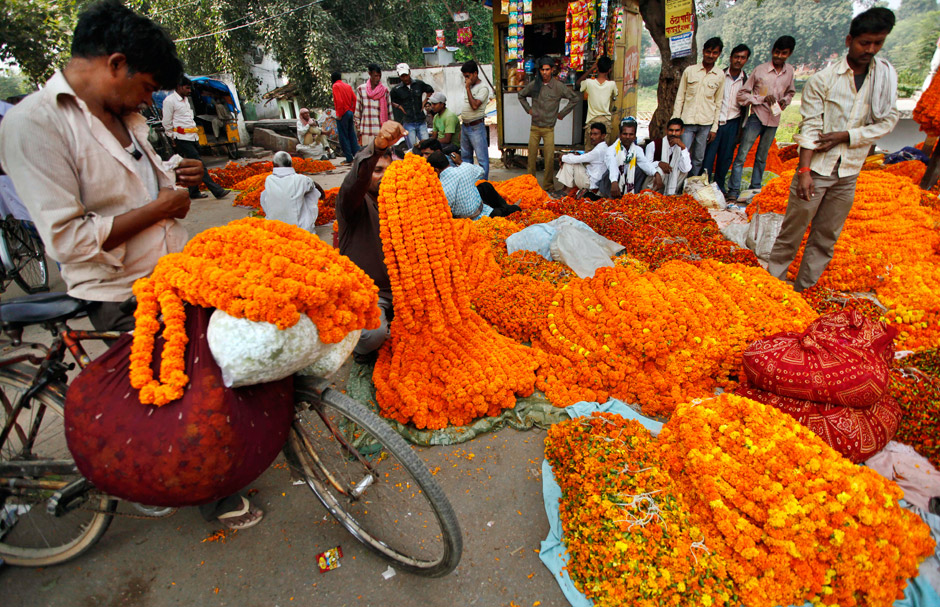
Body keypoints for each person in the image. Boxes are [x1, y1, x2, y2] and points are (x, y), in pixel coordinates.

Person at [0, 0, 263, 530]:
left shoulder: (127, 114)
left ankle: (212, 465)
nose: (150, 98)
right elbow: (69, 240)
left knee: (215, 367)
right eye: (146, 86)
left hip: (176, 269)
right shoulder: (35, 125)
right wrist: (159, 208)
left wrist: (176, 177)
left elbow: (140, 184)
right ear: (115, 64)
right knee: (178, 395)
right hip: (119, 286)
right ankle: (195, 487)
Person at [767, 8, 898, 293]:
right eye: (865, 42)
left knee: (826, 236)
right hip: (817, 169)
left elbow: (888, 120)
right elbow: (810, 127)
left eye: (878, 43)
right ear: (850, 39)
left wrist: (847, 136)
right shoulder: (823, 80)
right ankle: (772, 287)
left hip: (849, 170)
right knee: (793, 231)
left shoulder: (884, 78)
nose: (871, 49)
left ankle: (806, 289)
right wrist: (803, 171)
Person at [337, 120, 407, 364]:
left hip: (402, 289)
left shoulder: (401, 202)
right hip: (367, 292)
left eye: (390, 170)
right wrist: (376, 148)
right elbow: (353, 184)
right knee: (373, 336)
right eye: (378, 170)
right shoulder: (352, 203)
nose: (385, 176)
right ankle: (362, 344)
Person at [726, 36, 797, 203]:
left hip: (774, 119)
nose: (779, 56)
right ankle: (733, 191)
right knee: (742, 155)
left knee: (762, 157)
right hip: (757, 117)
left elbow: (791, 93)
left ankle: (754, 190)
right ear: (772, 51)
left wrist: (784, 101)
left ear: (789, 54)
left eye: (783, 54)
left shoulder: (790, 72)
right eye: (777, 52)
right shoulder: (760, 70)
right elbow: (742, 95)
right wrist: (761, 99)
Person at [518, 57, 581, 191]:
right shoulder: (535, 84)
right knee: (531, 159)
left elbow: (574, 98)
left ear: (552, 70)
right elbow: (521, 95)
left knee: (549, 158)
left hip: (549, 129)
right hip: (534, 128)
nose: (545, 72)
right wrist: (528, 109)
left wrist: (562, 114)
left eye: (547, 69)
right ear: (539, 71)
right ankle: (530, 185)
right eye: (542, 69)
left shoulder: (558, 86)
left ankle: (548, 186)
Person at [162, 76, 229, 200]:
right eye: (187, 88)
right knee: (198, 164)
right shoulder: (169, 101)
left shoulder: (186, 100)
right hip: (181, 137)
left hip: (192, 136)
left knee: (191, 165)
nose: (189, 90)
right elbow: (166, 122)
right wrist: (173, 137)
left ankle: (193, 192)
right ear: (178, 87)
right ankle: (216, 190)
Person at [672, 37, 726, 176]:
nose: (710, 55)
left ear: (719, 54)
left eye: (714, 53)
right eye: (708, 52)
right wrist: (676, 121)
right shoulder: (690, 71)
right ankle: (676, 186)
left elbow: (718, 102)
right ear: (703, 51)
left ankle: (692, 184)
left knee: (698, 158)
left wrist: (714, 127)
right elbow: (680, 97)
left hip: (706, 123)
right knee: (682, 154)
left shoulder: (719, 75)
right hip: (687, 122)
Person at [702, 44, 751, 194]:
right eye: (736, 57)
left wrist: (741, 129)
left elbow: (746, 106)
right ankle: (704, 187)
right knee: (708, 158)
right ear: (730, 58)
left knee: (725, 158)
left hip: (733, 123)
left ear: (746, 60)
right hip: (716, 122)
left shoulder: (746, 80)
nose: (739, 60)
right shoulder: (720, 75)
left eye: (743, 58)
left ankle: (719, 189)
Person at [427, 150, 520, 219]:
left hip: (467, 221)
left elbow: (445, 211)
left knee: (484, 187)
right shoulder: (465, 168)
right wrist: (460, 162)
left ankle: (506, 210)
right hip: (484, 211)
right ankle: (508, 209)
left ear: (436, 170)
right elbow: (481, 171)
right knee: (485, 187)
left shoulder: (441, 187)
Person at [260, 151, 324, 232]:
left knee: (264, 194)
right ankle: (306, 221)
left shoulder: (268, 179)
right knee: (312, 191)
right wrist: (322, 193)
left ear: (274, 165)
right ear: (290, 164)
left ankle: (273, 217)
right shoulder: (301, 179)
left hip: (274, 227)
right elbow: (314, 185)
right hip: (299, 228)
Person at [554, 122, 610, 198]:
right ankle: (565, 189)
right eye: (591, 134)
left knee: (570, 162)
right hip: (591, 179)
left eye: (595, 134)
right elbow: (584, 156)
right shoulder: (602, 147)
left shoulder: (599, 150)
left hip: (591, 185)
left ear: (603, 136)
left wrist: (562, 157)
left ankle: (566, 190)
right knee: (570, 160)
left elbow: (579, 159)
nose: (592, 137)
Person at [605, 119, 658, 198]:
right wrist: (614, 181)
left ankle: (635, 195)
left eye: (631, 134)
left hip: (629, 179)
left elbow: (645, 163)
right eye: (625, 134)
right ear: (620, 135)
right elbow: (612, 165)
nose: (628, 137)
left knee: (641, 169)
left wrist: (656, 173)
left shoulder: (637, 150)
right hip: (612, 181)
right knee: (611, 174)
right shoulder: (611, 149)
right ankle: (612, 196)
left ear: (635, 137)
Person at [576, 56, 618, 150]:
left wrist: (591, 69)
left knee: (589, 152)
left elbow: (578, 83)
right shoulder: (611, 84)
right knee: (603, 153)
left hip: (591, 121)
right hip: (605, 122)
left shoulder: (589, 83)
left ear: (597, 68)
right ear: (609, 70)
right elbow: (615, 95)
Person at [643, 118, 692, 195]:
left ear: (682, 131)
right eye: (671, 130)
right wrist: (658, 163)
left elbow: (686, 169)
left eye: (677, 131)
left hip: (672, 185)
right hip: (654, 185)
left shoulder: (681, 148)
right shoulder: (653, 145)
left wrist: (683, 148)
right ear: (666, 130)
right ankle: (651, 195)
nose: (673, 133)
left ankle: (671, 193)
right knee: (660, 170)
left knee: (682, 171)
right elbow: (645, 167)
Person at [460, 60, 491, 179]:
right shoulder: (470, 86)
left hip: (476, 127)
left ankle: (483, 187)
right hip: (465, 126)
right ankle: (469, 185)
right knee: (466, 158)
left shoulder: (483, 88)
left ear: (475, 74)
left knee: (482, 160)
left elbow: (474, 106)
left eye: (468, 76)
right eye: (464, 77)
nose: (466, 80)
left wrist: (467, 88)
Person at [390, 63, 434, 147]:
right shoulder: (396, 89)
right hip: (408, 122)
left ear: (409, 72)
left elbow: (430, 90)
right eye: (402, 76)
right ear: (399, 76)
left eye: (406, 75)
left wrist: (425, 101)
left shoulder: (418, 84)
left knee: (427, 145)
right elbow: (389, 100)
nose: (405, 78)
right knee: (412, 148)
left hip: (421, 121)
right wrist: (399, 107)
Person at [354, 63, 390, 147]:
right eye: (375, 76)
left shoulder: (384, 91)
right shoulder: (361, 90)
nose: (377, 78)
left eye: (379, 76)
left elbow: (389, 113)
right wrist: (358, 128)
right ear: (369, 74)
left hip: (380, 131)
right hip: (366, 131)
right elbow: (357, 112)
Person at [332, 72, 359, 164]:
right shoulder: (347, 86)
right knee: (352, 134)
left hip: (343, 113)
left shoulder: (335, 86)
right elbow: (355, 99)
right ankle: (357, 155)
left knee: (343, 136)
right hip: (349, 112)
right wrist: (352, 110)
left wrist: (339, 114)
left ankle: (349, 158)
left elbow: (339, 101)